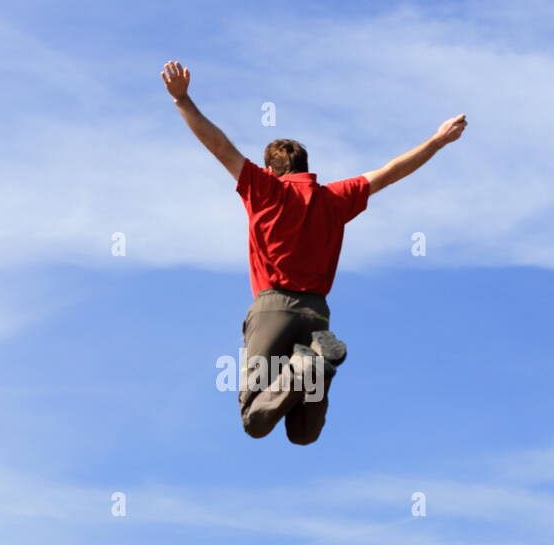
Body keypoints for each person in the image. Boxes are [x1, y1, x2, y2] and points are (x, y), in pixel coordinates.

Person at [161, 59, 467, 444]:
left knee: (255, 420)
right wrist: (437, 141)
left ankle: (310, 362)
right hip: (317, 314)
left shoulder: (264, 189)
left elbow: (220, 146)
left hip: (273, 309)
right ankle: (317, 362)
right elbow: (390, 171)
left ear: (272, 170)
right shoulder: (334, 199)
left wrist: (183, 100)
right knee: (302, 434)